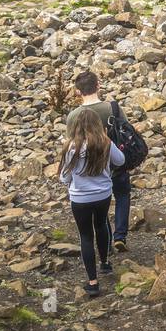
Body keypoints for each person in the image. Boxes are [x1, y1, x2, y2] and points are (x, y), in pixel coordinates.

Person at [58, 104, 124, 297]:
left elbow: (64, 178)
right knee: (102, 225)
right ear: (98, 124)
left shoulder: (71, 146)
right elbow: (120, 160)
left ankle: (93, 283)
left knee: (85, 236)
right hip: (103, 194)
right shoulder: (105, 142)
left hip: (80, 198)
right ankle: (105, 263)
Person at [66, 71, 136, 254]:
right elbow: (126, 130)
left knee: (100, 204)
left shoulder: (73, 116)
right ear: (98, 85)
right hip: (115, 161)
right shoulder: (112, 108)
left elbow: (71, 145)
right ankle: (120, 236)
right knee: (122, 195)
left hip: (91, 168)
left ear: (78, 92)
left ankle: (107, 239)